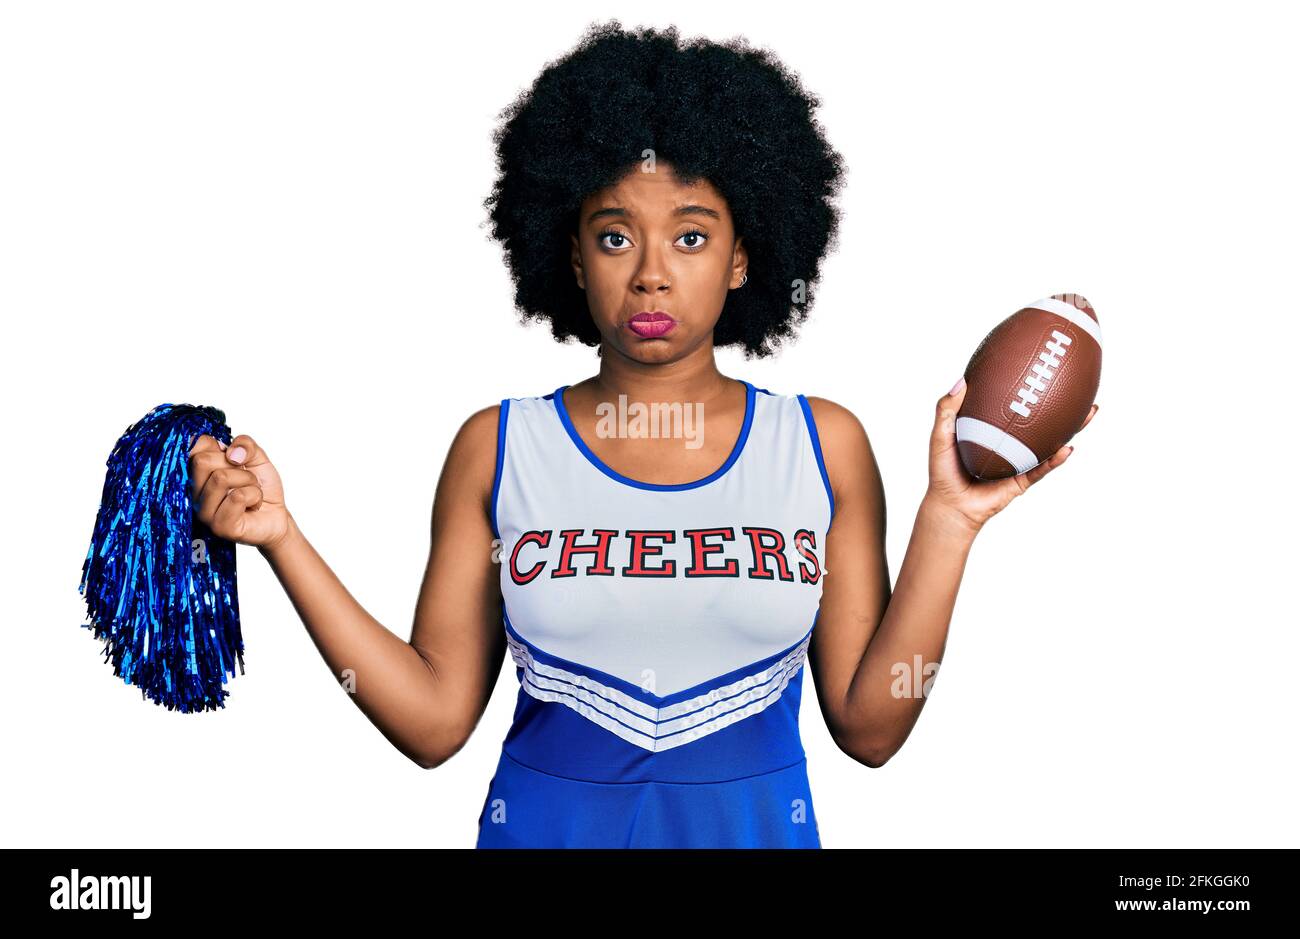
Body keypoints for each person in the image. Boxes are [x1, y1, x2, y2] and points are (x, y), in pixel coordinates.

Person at [187, 20, 1098, 848]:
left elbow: (870, 727)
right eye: (615, 236)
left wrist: (949, 520)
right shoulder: (499, 448)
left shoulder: (821, 446)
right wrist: (282, 540)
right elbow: (432, 724)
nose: (653, 274)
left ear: (745, 255)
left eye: (692, 237)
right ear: (569, 254)